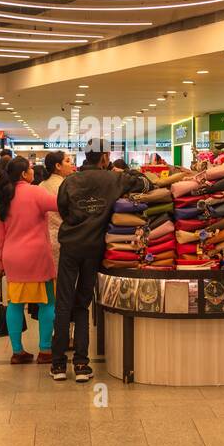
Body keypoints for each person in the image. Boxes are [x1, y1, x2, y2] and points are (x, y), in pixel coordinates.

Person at [52, 146, 150, 382]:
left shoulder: (71, 181)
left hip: (70, 246)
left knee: (63, 303)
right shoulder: (114, 179)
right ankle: (82, 364)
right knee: (83, 303)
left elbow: (62, 209)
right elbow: (145, 184)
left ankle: (58, 366)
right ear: (105, 157)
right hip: (94, 247)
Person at [0, 156, 59, 365]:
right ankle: (46, 350)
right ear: (24, 174)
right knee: (47, 302)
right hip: (37, 256)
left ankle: (17, 351)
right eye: (30, 169)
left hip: (13, 258)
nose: (33, 171)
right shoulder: (36, 191)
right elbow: (59, 205)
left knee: (15, 304)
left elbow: (0, 235)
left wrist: (0, 261)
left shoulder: (3, 197)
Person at [38, 150, 74, 272]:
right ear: (58, 166)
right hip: (62, 238)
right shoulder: (65, 185)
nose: (71, 164)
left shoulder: (41, 185)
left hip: (42, 238)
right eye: (68, 161)